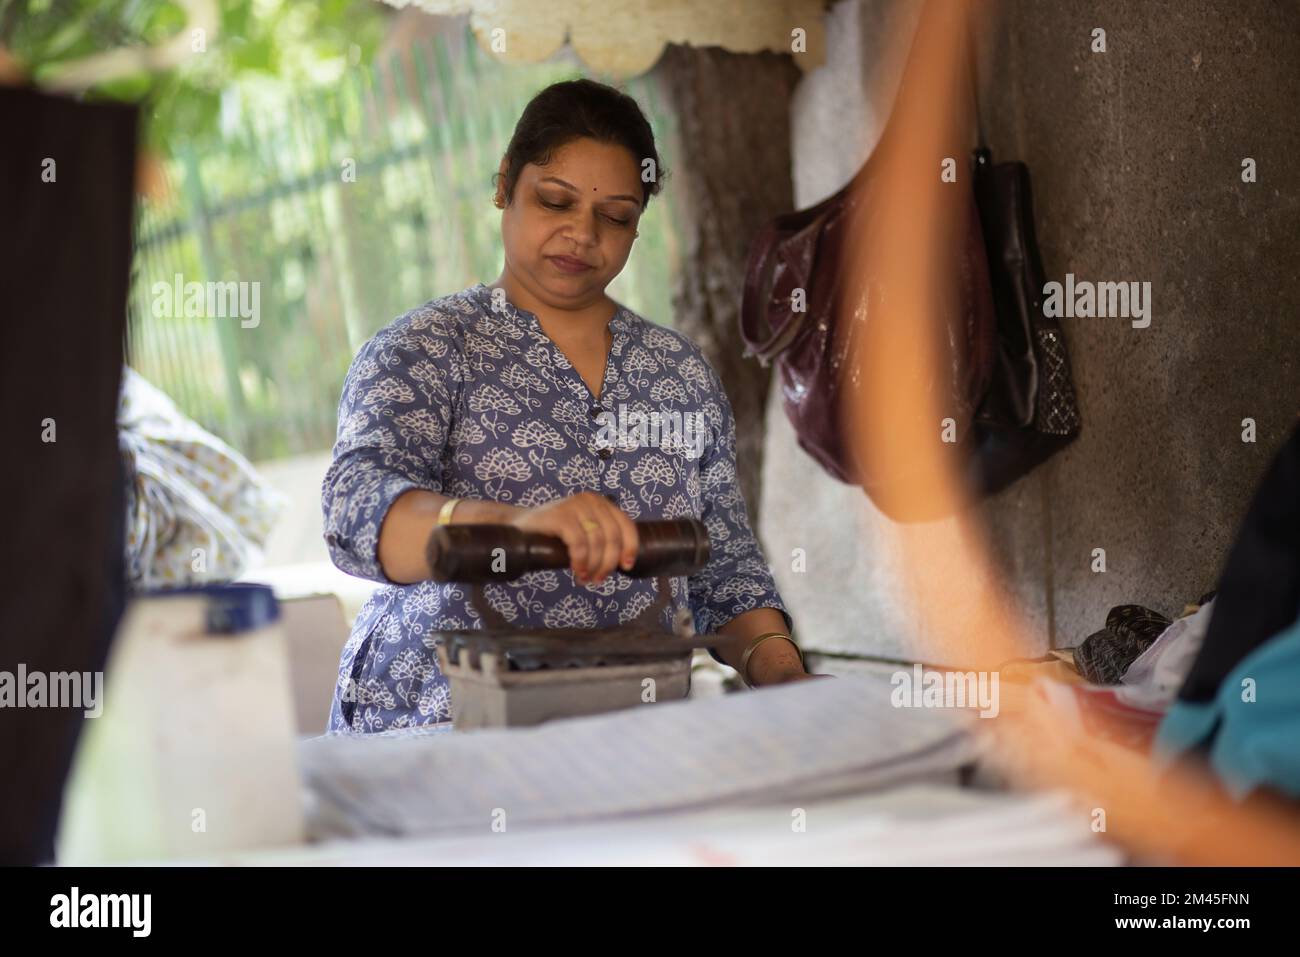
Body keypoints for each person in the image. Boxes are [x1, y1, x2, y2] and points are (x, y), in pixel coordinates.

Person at [322, 78, 813, 733]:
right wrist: (513, 527)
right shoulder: (428, 348)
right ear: (504, 186)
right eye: (554, 201)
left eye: (615, 216)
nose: (582, 234)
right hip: (443, 722)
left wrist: (786, 676)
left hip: (629, 724)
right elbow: (356, 510)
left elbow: (726, 571)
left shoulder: (678, 373)